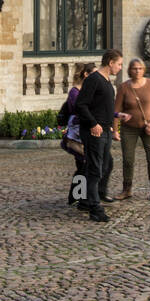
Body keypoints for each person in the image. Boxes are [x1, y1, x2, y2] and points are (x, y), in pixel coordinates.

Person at [74, 49, 123, 221]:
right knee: (95, 168)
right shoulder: (94, 80)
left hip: (105, 131)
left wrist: (110, 123)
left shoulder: (107, 81)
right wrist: (93, 123)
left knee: (106, 164)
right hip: (94, 132)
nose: (120, 67)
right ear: (110, 62)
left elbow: (103, 106)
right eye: (119, 64)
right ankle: (95, 208)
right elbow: (81, 105)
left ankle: (87, 199)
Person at [113, 58, 150, 201]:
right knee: (128, 159)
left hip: (149, 128)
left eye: (140, 68)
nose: (137, 71)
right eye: (134, 68)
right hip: (129, 129)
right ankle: (127, 189)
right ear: (129, 70)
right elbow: (116, 110)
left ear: (144, 70)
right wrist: (115, 130)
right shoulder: (124, 87)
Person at [59, 62, 95, 203]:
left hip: (84, 132)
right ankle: (78, 195)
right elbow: (79, 110)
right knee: (82, 164)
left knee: (85, 164)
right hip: (76, 134)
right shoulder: (75, 92)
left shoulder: (87, 90)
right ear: (86, 74)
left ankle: (78, 195)